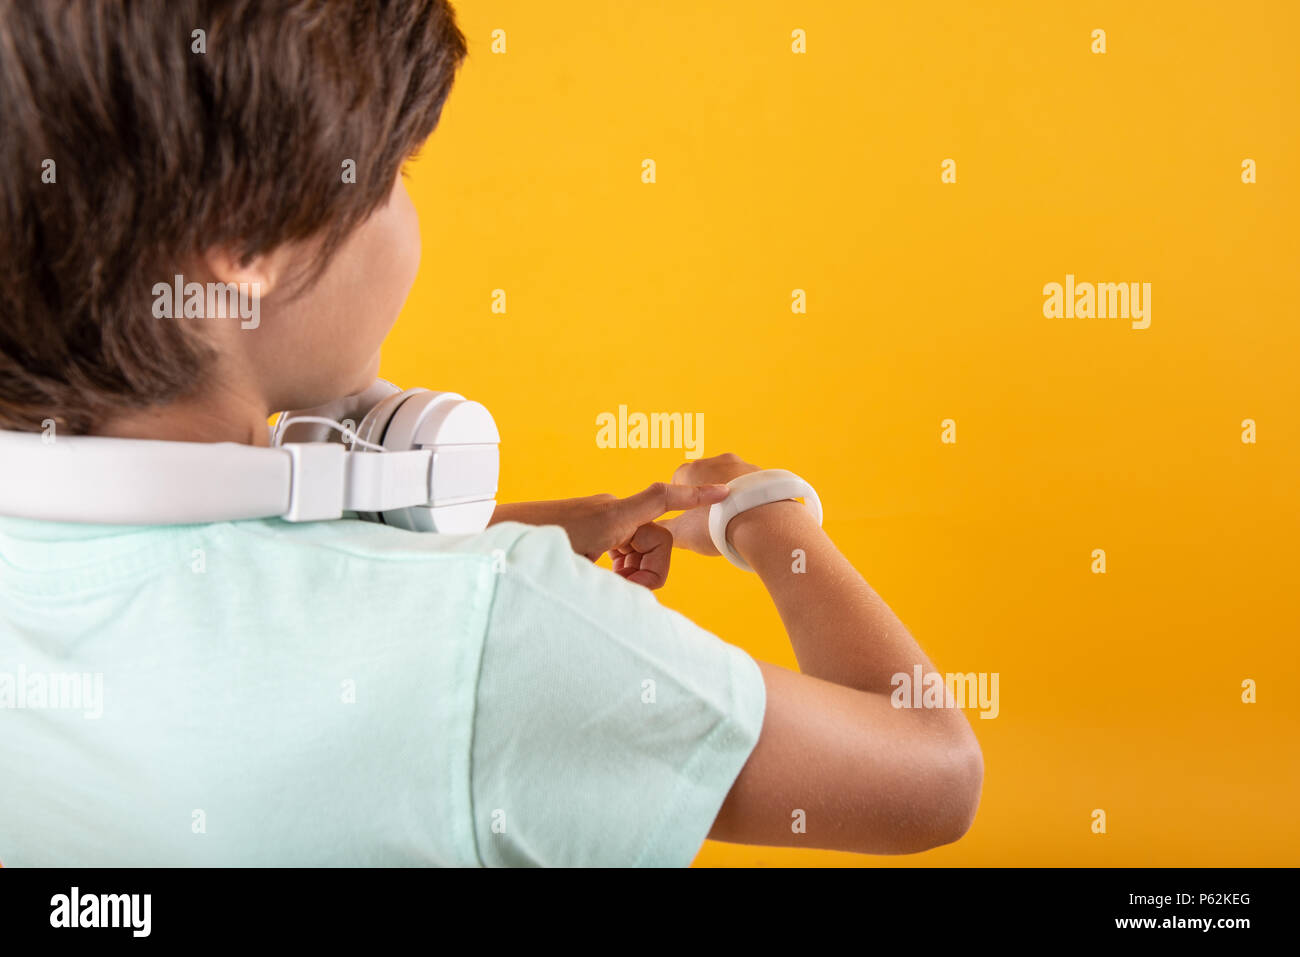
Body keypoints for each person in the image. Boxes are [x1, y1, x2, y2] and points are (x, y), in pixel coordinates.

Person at [0, 0, 981, 866]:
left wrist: (575, 521)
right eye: (389, 170)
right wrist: (766, 522)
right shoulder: (495, 635)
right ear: (249, 244)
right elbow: (929, 779)